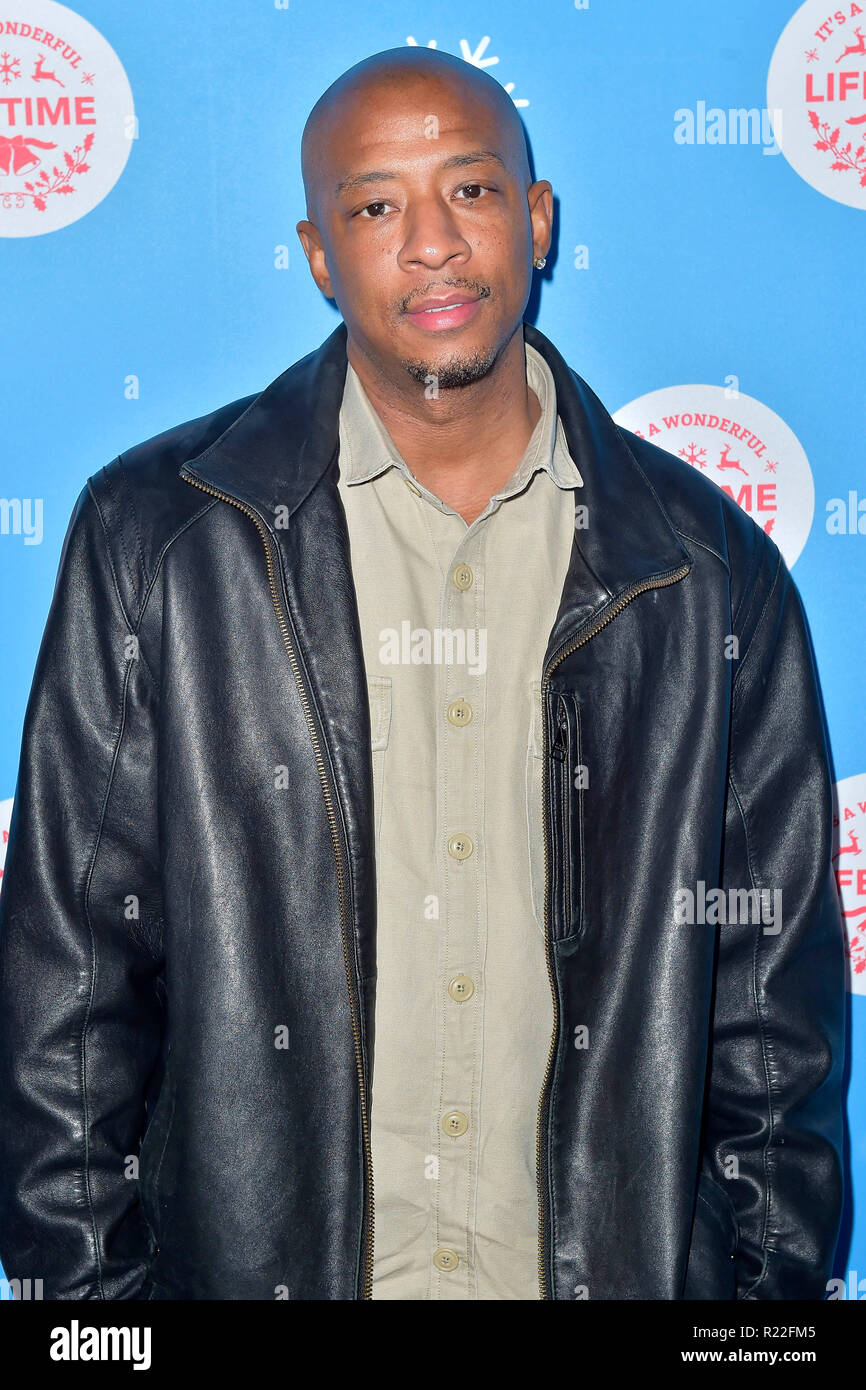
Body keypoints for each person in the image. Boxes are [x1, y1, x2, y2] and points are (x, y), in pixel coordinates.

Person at [0, 45, 846, 1302]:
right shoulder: (159, 539)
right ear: (317, 252)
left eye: (471, 190)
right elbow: (71, 978)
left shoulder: (705, 571)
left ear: (538, 218)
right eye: (377, 205)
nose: (432, 245)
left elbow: (768, 1008)